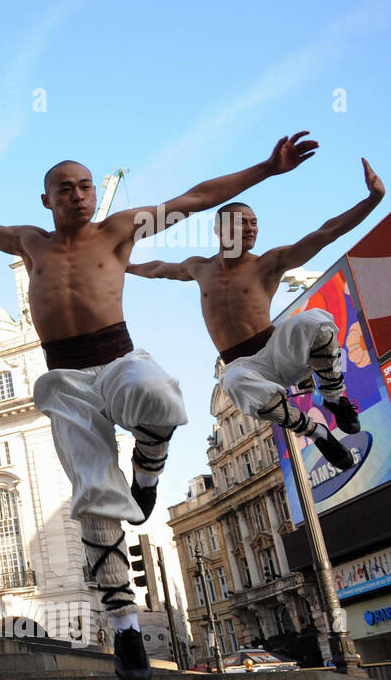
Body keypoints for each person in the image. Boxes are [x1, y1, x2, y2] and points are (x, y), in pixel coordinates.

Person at [0, 132, 319, 680]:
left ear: (96, 194)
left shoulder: (120, 230)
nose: (76, 195)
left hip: (116, 357)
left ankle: (147, 472)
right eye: (63, 189)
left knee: (160, 395)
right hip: (65, 377)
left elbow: (196, 197)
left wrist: (267, 167)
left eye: (84, 186)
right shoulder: (31, 241)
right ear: (47, 201)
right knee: (94, 495)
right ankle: (124, 628)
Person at [127, 158, 384, 470]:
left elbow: (326, 232)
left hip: (279, 350)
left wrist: (372, 199)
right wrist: (121, 265)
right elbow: (157, 269)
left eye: (254, 222)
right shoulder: (199, 267)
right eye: (241, 223)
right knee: (232, 382)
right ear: (219, 230)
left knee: (316, 320)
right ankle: (317, 432)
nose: (250, 228)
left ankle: (334, 398)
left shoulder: (268, 263)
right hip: (245, 368)